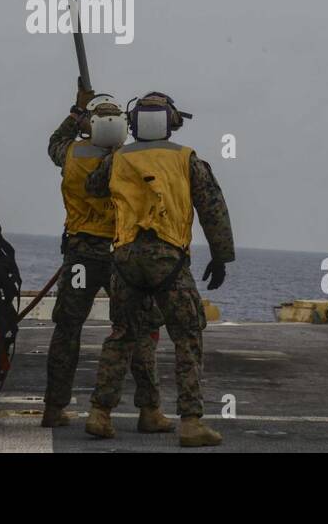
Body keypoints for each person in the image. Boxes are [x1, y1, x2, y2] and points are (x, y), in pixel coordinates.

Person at [84, 91, 235, 447]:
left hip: (124, 260)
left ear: (133, 124)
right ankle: (191, 422)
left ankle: (99, 414)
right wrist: (221, 256)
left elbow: (93, 187)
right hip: (168, 260)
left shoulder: (117, 159)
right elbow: (212, 207)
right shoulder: (186, 159)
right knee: (186, 336)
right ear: (170, 122)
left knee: (121, 335)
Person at [41, 85, 173, 433]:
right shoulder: (132, 159)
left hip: (81, 257)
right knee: (140, 330)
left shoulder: (70, 154)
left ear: (90, 125)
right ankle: (149, 411)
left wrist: (75, 111)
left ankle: (54, 407)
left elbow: (54, 141)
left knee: (68, 330)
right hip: (122, 258)